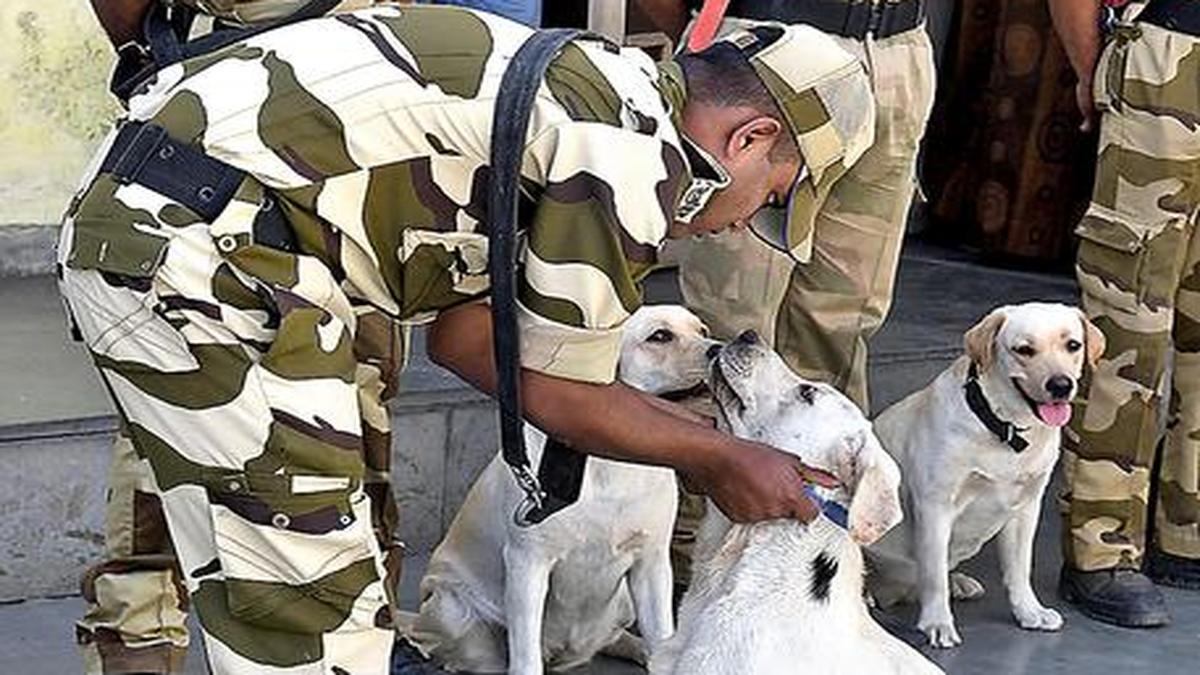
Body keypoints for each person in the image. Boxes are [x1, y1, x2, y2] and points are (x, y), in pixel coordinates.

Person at [57, 3, 875, 672]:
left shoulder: (599, 85)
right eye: (772, 197)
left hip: (180, 235)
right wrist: (720, 456)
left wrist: (697, 439)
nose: (741, 224)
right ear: (752, 140)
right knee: (309, 612)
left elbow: (467, 340)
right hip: (206, 257)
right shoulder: (627, 152)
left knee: (289, 580)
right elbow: (557, 392)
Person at [74, 3, 406, 674]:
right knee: (167, 448)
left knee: (356, 420)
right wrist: (157, 61)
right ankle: (139, 652)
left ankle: (355, 640)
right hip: (226, 149)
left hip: (367, 160)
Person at [641, 0, 935, 412]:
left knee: (844, 315)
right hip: (765, 45)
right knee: (732, 323)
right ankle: (714, 467)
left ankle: (818, 466)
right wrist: (714, 52)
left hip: (895, 49)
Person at [1050, 0, 1200, 628]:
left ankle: (1186, 530)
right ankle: (1100, 549)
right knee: (1127, 322)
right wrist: (1097, 69)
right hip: (1169, 58)